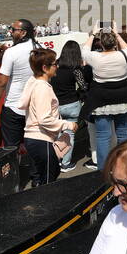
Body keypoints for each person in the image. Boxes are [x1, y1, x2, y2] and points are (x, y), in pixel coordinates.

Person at [83, 23, 127, 170]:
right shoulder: (124, 55)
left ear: (101, 43)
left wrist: (94, 33)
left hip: (101, 101)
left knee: (103, 137)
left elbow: (84, 49)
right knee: (124, 135)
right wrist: (117, 33)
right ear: (115, 42)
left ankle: (102, 171)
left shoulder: (95, 57)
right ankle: (125, 167)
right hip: (123, 99)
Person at [20, 48, 78, 185]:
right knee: (48, 179)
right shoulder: (43, 88)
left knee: (42, 176)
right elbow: (44, 119)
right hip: (41, 139)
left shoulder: (33, 81)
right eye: (54, 64)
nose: (57, 66)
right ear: (45, 68)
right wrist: (68, 124)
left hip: (34, 139)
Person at [0, 19, 36, 149]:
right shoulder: (39, 49)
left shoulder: (11, 52)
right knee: (33, 145)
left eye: (13, 29)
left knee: (11, 148)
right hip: (33, 106)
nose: (10, 32)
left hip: (13, 108)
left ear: (23, 33)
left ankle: (15, 169)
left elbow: (2, 82)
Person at [49, 40, 85, 169]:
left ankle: (57, 159)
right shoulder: (75, 68)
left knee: (57, 133)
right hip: (72, 104)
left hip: (56, 104)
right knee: (70, 134)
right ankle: (66, 163)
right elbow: (83, 86)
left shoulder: (55, 66)